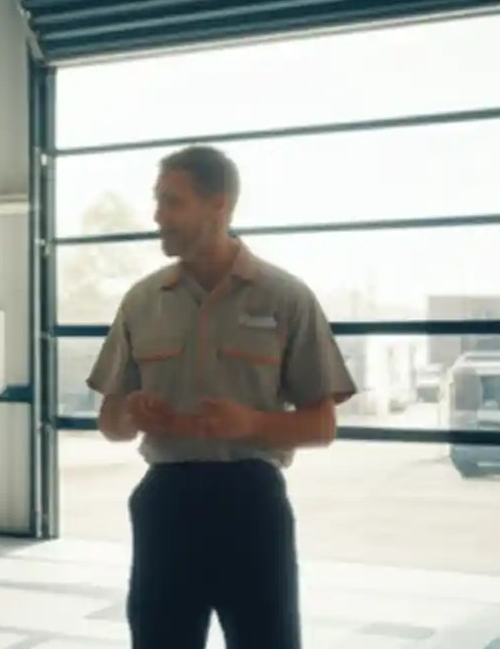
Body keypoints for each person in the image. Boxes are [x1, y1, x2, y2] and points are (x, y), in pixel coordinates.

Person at [87, 146, 357, 649]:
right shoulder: (142, 302)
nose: (158, 216)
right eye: (158, 201)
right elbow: (109, 423)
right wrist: (131, 413)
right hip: (166, 503)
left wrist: (250, 424)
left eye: (173, 202)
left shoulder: (285, 298)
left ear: (220, 205)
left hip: (250, 503)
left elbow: (322, 426)